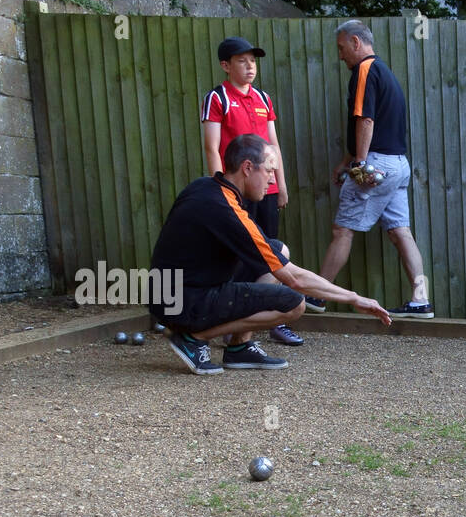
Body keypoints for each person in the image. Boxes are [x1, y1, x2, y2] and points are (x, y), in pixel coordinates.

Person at [150, 134, 390, 376]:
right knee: (294, 304)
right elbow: (293, 278)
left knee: (278, 250)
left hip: (169, 292)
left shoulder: (206, 187)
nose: (272, 180)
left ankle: (238, 347)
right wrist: (355, 298)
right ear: (247, 168)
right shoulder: (225, 209)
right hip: (180, 301)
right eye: (268, 171)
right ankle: (193, 338)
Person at [308, 19, 432, 319]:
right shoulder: (385, 73)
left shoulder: (365, 70)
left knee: (342, 230)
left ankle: (317, 297)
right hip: (399, 165)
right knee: (401, 231)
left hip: (376, 165)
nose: (340, 56)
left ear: (355, 42)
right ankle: (421, 301)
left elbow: (365, 120)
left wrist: (359, 164)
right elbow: (373, 125)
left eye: (341, 48)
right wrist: (345, 161)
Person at [201, 35, 302, 347]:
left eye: (253, 61)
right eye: (242, 61)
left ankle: (275, 317)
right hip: (237, 189)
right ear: (225, 65)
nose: (249, 66)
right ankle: (229, 322)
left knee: (270, 254)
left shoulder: (263, 99)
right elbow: (211, 148)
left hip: (266, 190)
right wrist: (222, 190)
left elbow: (273, 146)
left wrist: (281, 184)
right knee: (236, 256)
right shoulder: (217, 98)